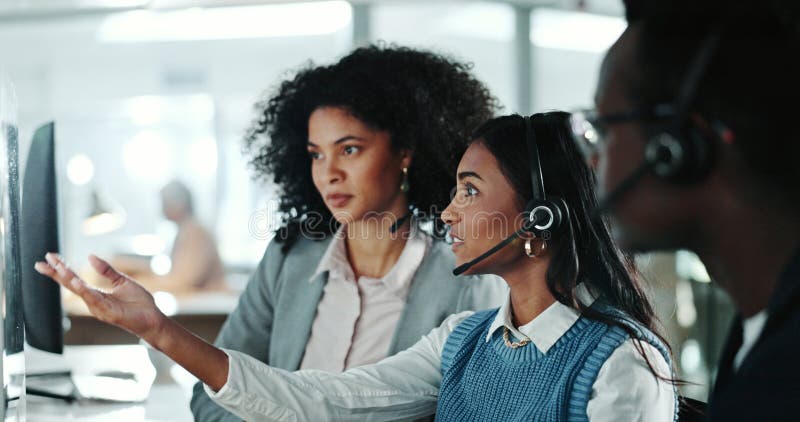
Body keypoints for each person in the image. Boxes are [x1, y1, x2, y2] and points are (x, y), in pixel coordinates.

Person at [35, 112, 677, 421]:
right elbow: (322, 399)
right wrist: (156, 329)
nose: (449, 214)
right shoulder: (463, 344)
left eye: (471, 191)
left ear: (542, 216)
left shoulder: (618, 365)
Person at [187, 45, 505, 420]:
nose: (329, 172)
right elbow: (211, 393)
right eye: (316, 154)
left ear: (405, 151)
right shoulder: (289, 259)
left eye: (349, 149)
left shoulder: (467, 281)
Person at [569, 1, 800, 419]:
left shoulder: (784, 372)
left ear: (676, 147)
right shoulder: (758, 328)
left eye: (602, 128)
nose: (593, 160)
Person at [111, 180, 227, 295]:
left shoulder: (196, 233)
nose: (161, 208)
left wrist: (140, 280)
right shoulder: (186, 230)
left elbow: (184, 282)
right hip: (199, 302)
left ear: (178, 203)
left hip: (208, 306)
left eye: (164, 202)